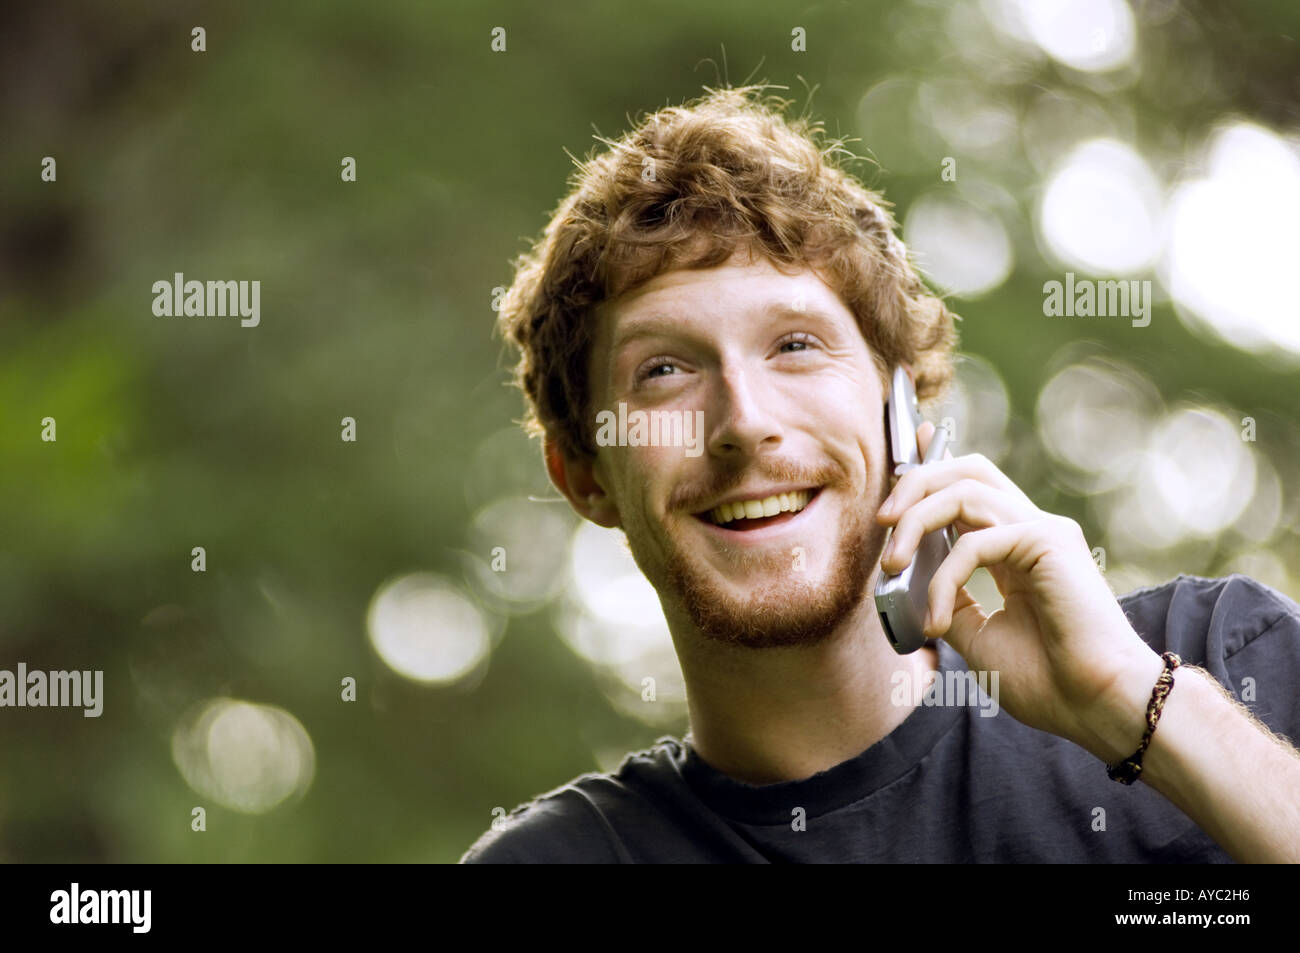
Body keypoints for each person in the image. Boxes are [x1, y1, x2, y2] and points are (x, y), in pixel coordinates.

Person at [461, 86, 1300, 863]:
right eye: (664, 371)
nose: (746, 422)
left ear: (902, 411)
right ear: (584, 476)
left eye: (794, 345)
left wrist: (1131, 701)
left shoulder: (1226, 662)